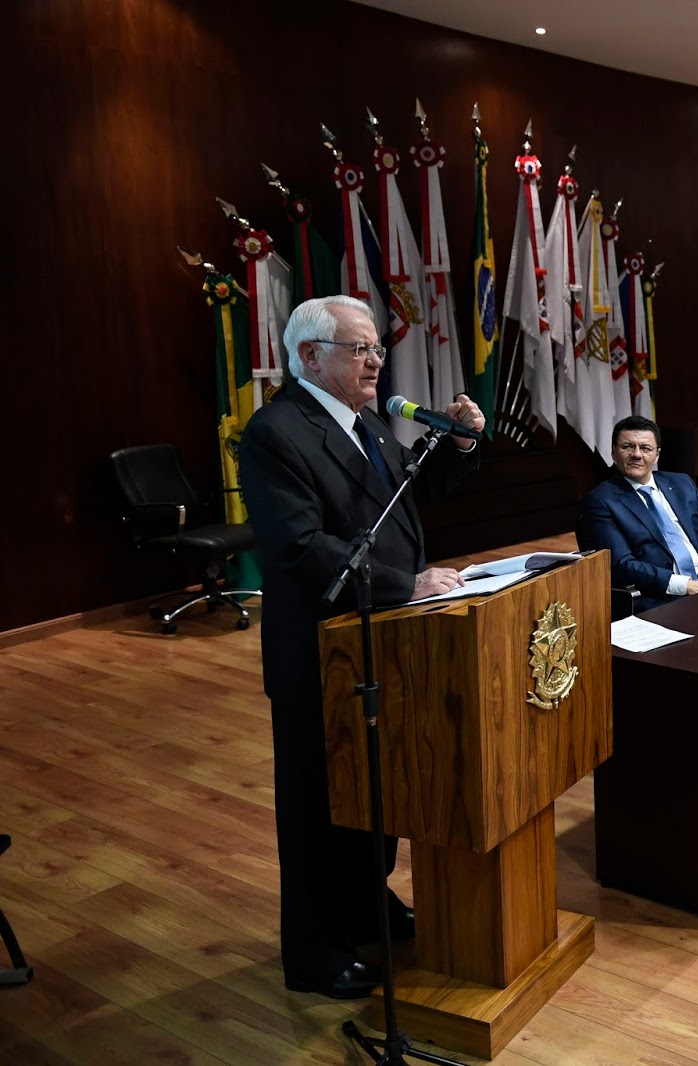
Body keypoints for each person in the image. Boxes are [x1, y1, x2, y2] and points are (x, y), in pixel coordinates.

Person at [238, 295, 484, 1000]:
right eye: (359, 348)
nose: (376, 360)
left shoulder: (365, 421)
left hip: (384, 647)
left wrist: (461, 444)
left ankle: (365, 906)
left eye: (378, 349)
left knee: (376, 795)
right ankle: (314, 953)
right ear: (310, 355)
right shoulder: (276, 433)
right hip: (321, 652)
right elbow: (301, 547)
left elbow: (401, 502)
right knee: (319, 808)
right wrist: (407, 584)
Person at [579, 416, 698, 610]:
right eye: (627, 447)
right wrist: (686, 586)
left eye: (645, 448)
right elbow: (622, 565)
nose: (636, 454)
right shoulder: (601, 501)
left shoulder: (682, 484)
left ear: (657, 455)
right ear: (613, 452)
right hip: (660, 598)